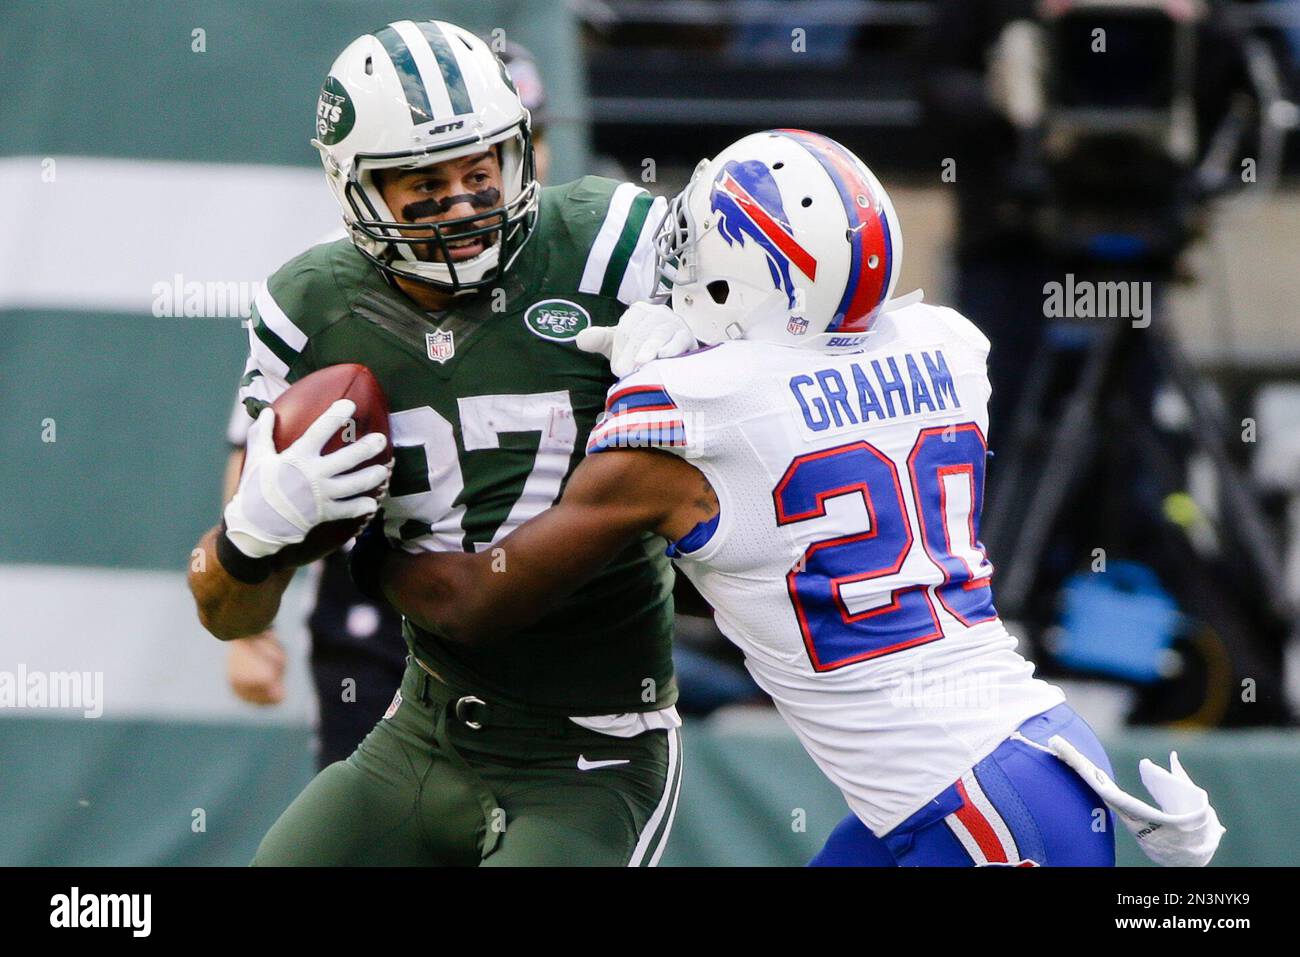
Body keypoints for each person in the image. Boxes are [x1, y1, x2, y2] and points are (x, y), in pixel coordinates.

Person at [358, 129, 1225, 867]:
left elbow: (478, 601)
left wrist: (359, 534)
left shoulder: (691, 413)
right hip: (1030, 757)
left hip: (971, 808)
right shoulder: (949, 347)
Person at [188, 19, 697, 866]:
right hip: (425, 731)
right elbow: (228, 610)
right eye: (423, 181)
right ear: (356, 188)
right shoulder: (311, 310)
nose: (462, 202)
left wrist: (708, 352)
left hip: (594, 749)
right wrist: (250, 542)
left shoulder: (610, 246)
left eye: (479, 168)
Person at [219, 37, 556, 770]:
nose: (467, 190)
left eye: (493, 156)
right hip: (380, 604)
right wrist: (248, 607)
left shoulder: (584, 258)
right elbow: (262, 444)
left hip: (560, 605)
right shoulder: (332, 293)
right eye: (428, 174)